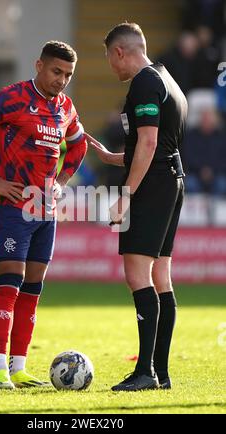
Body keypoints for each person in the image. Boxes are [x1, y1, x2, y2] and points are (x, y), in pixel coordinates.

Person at [0, 41, 87, 389]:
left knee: (33, 287)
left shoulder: (65, 107)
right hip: (12, 205)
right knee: (10, 282)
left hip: (46, 208)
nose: (62, 80)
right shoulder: (12, 97)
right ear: (39, 65)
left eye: (68, 75)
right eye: (56, 71)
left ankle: (19, 368)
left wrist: (61, 181)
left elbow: (79, 144)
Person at [86, 21, 188, 392]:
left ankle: (145, 370)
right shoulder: (167, 79)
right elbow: (154, 148)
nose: (113, 69)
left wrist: (125, 195)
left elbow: (147, 145)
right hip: (172, 180)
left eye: (111, 61)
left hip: (153, 186)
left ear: (119, 52)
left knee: (137, 275)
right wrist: (108, 156)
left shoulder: (143, 81)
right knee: (161, 277)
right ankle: (160, 373)